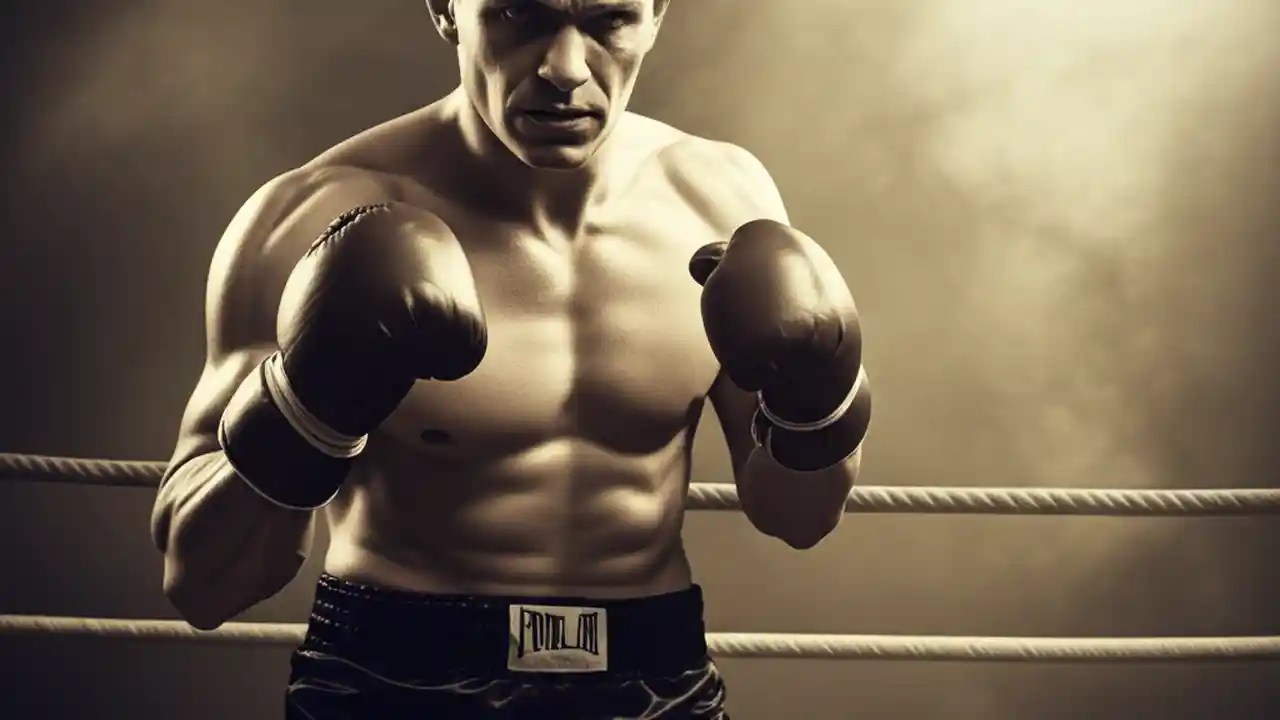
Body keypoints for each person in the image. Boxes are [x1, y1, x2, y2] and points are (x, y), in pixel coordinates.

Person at [150, 0, 871, 717]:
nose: (564, 68)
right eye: (520, 16)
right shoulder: (309, 216)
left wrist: (819, 403)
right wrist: (306, 405)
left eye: (608, 20)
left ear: (656, 14)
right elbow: (205, 584)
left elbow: (800, 520)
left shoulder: (721, 197)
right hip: (397, 682)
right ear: (446, 10)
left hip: (653, 676)